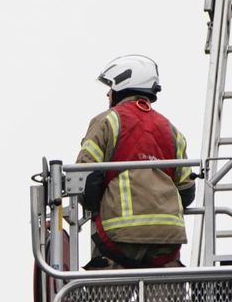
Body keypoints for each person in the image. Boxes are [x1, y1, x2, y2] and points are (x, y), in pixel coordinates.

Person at [75, 54, 194, 269]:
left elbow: (86, 180)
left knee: (105, 301)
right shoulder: (172, 130)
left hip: (119, 236)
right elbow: (187, 191)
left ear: (123, 84)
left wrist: (94, 205)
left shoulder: (106, 121)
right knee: (161, 301)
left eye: (110, 87)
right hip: (167, 238)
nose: (108, 93)